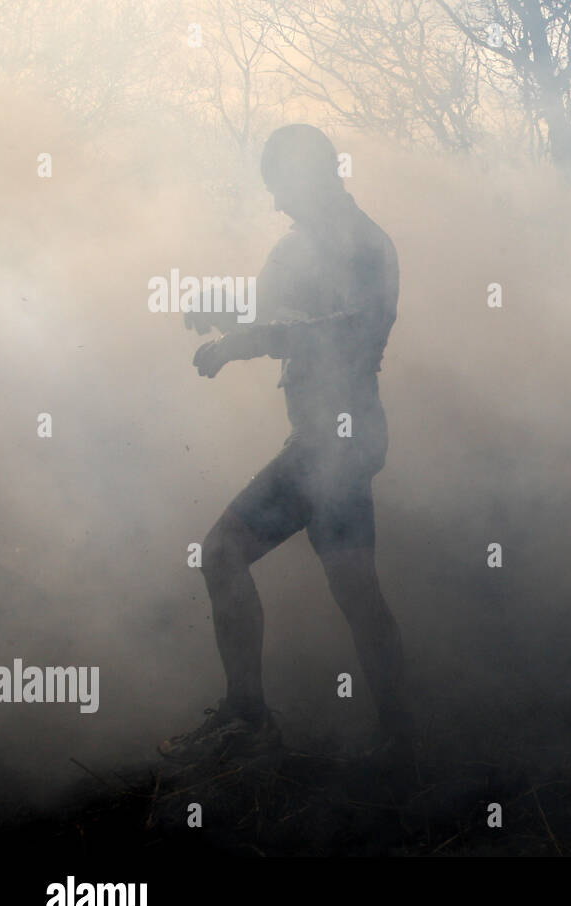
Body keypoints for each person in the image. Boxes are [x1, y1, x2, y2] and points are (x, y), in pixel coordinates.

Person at [159, 124, 413, 766]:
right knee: (359, 593)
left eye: (282, 189)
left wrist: (243, 340)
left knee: (220, 554)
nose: (277, 204)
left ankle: (247, 719)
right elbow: (270, 307)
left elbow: (344, 331)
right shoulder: (307, 243)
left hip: (335, 444)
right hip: (334, 442)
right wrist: (221, 306)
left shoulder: (362, 246)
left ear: (315, 176)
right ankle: (402, 740)